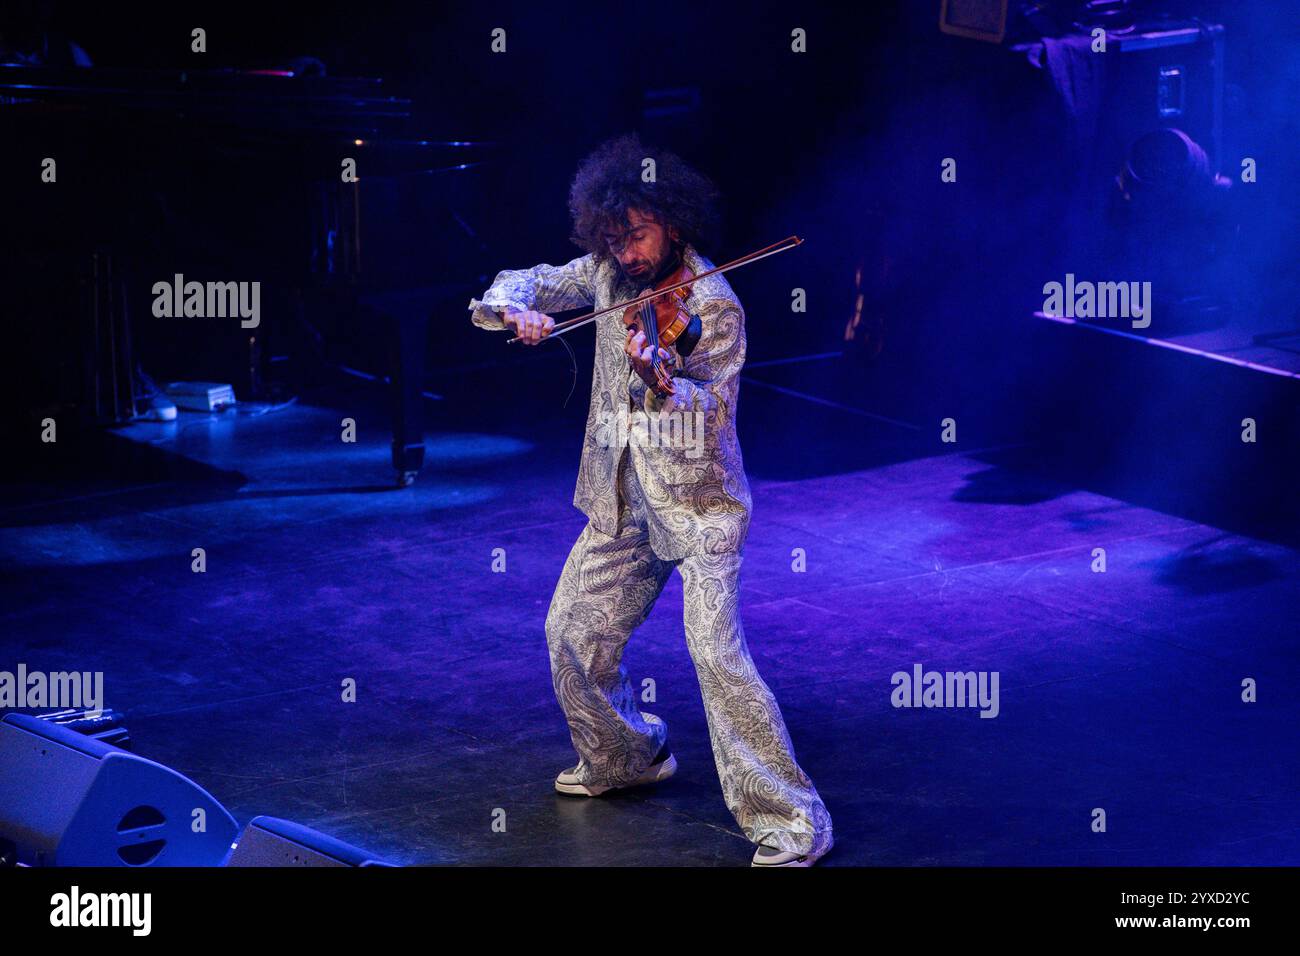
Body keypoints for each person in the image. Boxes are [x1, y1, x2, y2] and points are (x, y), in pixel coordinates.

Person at [468, 133, 833, 867]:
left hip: (701, 511)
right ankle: (626, 756)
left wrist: (664, 379)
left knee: (713, 654)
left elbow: (712, 413)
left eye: (637, 235)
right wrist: (516, 313)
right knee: (570, 632)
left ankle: (794, 819)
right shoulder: (603, 276)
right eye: (613, 238)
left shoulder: (714, 304)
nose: (628, 253)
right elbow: (524, 279)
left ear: (672, 221)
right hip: (624, 499)